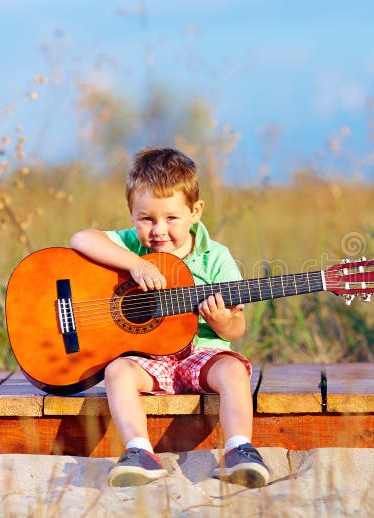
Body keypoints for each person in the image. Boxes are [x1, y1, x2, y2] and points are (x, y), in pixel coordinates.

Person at [70, 147, 269, 488]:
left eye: (171, 218)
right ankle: (139, 450)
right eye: (146, 218)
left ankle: (239, 448)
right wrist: (134, 263)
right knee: (117, 370)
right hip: (148, 360)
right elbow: (80, 239)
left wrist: (222, 322)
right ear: (132, 214)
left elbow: (237, 326)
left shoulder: (215, 258)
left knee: (234, 369)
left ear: (196, 212)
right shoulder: (133, 246)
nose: (158, 230)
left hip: (201, 355)